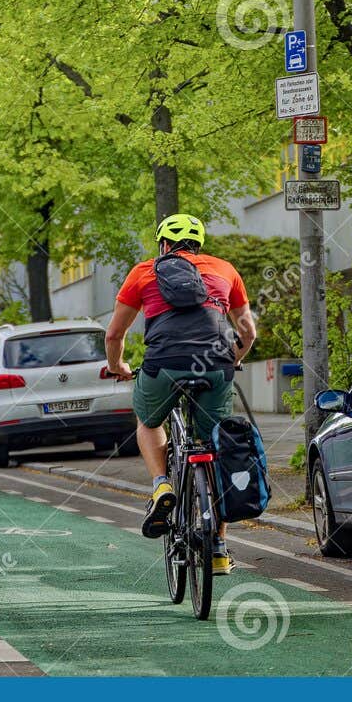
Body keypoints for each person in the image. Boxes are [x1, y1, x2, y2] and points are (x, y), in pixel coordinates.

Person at [104, 213, 257, 575]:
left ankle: (161, 486)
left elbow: (113, 335)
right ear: (199, 244)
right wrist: (232, 359)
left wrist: (118, 366)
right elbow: (248, 331)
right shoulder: (225, 269)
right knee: (215, 449)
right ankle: (218, 550)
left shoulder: (144, 272)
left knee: (148, 421)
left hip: (164, 365)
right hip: (215, 365)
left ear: (164, 244)